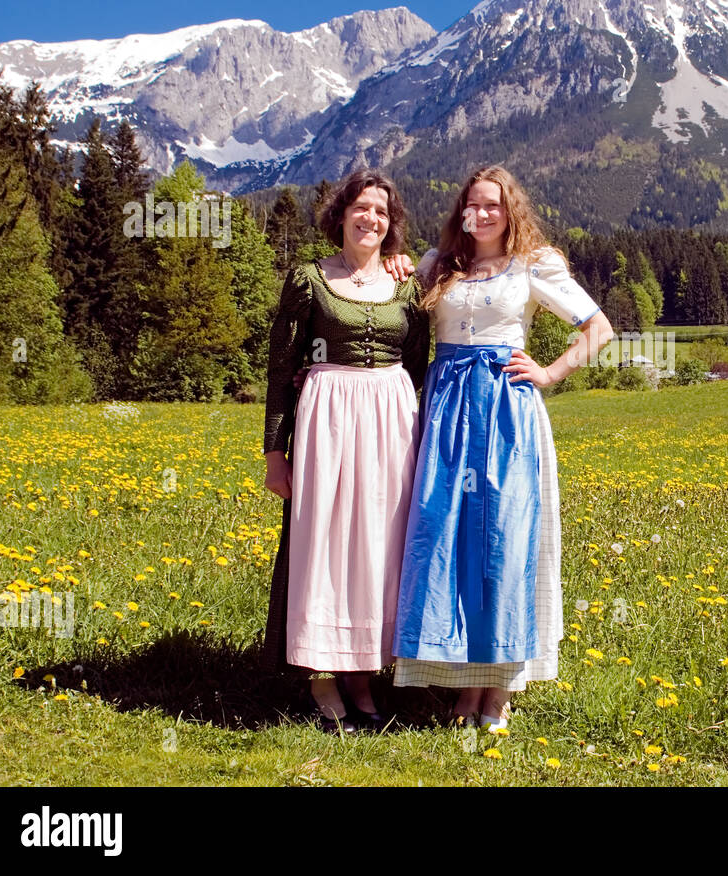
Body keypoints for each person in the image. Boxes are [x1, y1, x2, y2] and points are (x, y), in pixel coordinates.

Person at [382, 164, 612, 730]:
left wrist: (551, 372)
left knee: (503, 542)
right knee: (444, 536)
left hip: (505, 412)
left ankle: (497, 690)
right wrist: (396, 263)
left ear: (511, 210)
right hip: (445, 412)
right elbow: (393, 302)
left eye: (493, 205)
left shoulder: (535, 264)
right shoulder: (440, 265)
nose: (481, 214)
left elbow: (598, 328)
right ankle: (461, 682)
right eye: (473, 205)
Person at [262, 169, 429, 733]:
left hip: (390, 419)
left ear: (392, 224)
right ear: (340, 216)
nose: (371, 219)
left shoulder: (407, 285)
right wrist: (274, 452)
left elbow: (418, 365)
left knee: (380, 543)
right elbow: (282, 367)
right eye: (361, 207)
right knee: (324, 539)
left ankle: (364, 672)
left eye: (381, 211)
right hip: (326, 417)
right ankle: (322, 675)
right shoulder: (308, 280)